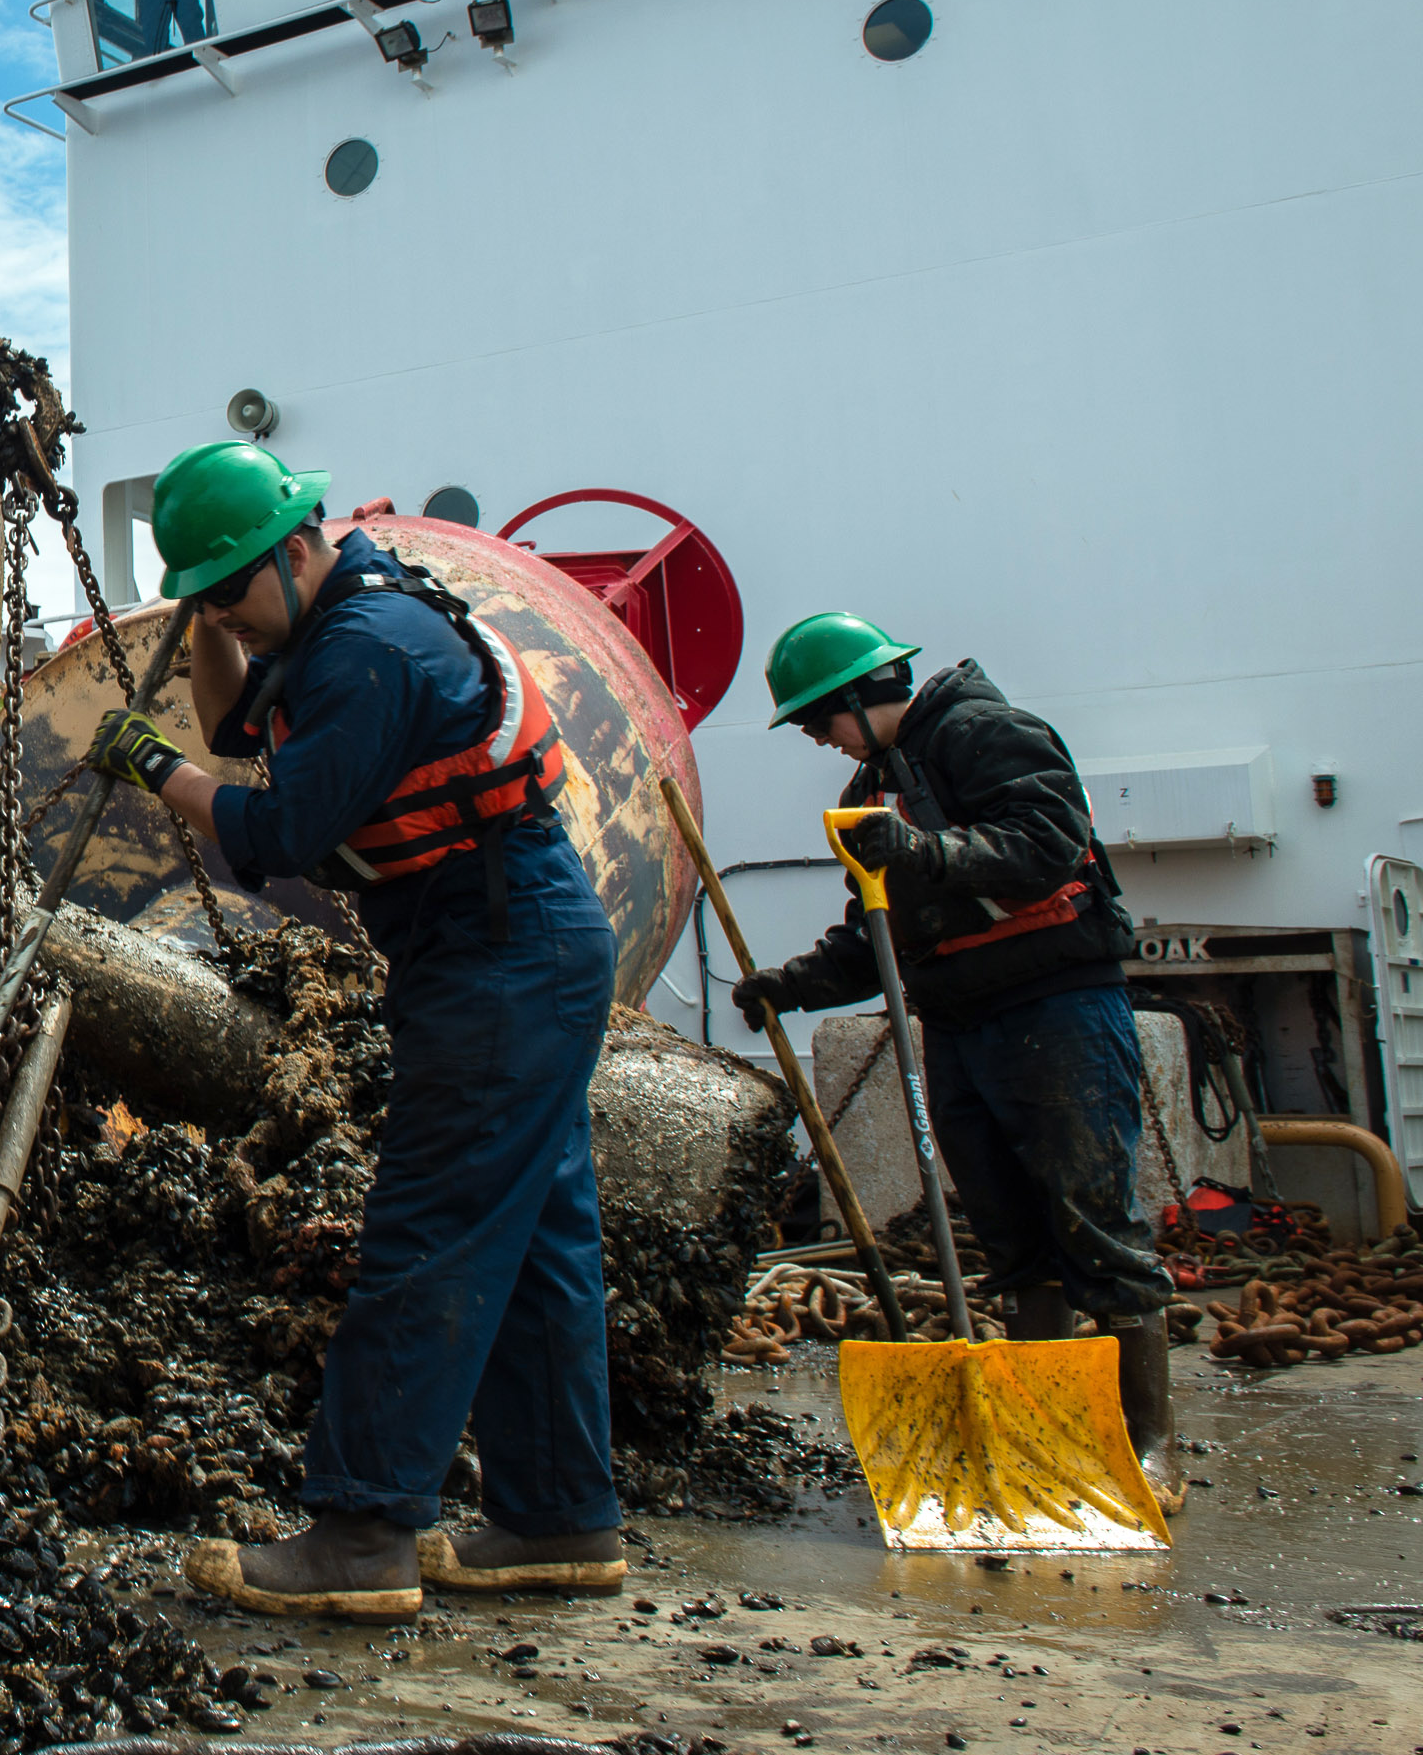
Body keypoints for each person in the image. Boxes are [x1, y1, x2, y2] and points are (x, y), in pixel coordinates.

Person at [80, 441, 621, 1617]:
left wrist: (151, 767)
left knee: (430, 1227)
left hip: (501, 948)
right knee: (532, 1241)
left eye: (235, 589)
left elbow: (269, 835)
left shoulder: (373, 652)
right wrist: (210, 618)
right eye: (208, 597)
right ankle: (558, 1518)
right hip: (503, 941)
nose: (228, 614)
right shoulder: (336, 628)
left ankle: (363, 1532)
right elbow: (241, 737)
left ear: (297, 544)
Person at [732, 613, 1178, 1510]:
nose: (818, 738)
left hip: (1055, 1009)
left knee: (1094, 1223)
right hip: (962, 1022)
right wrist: (791, 984)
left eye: (821, 719)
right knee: (1011, 1238)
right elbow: (878, 934)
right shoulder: (878, 785)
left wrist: (925, 851)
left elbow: (1048, 846)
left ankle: (1147, 1445)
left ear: (862, 695)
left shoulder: (985, 733)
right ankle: (1052, 1433)